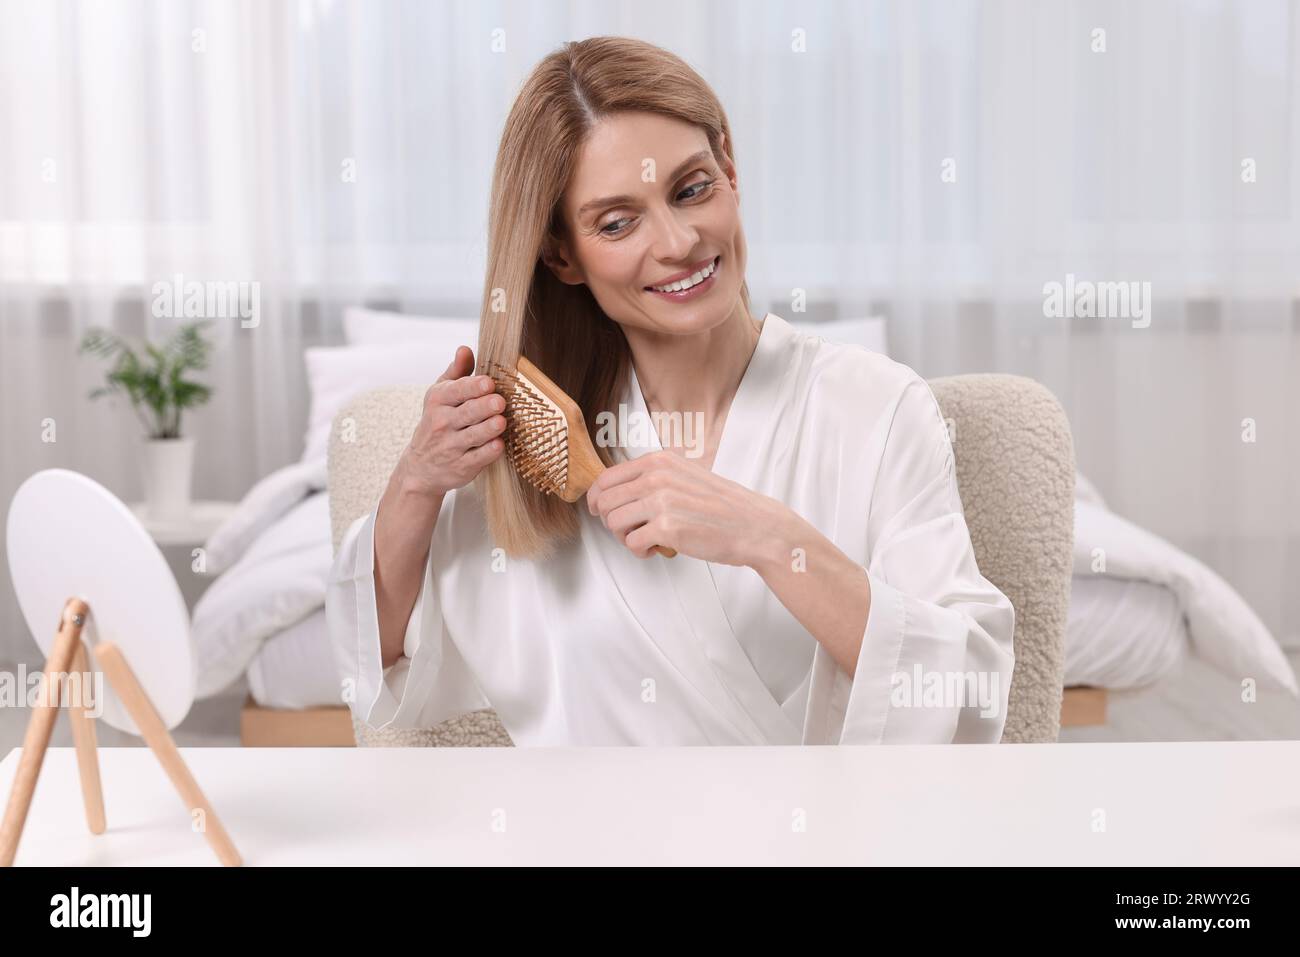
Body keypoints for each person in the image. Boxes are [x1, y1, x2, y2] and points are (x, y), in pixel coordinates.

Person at [326, 36, 1014, 746]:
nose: (679, 240)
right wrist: (415, 482)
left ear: (731, 169)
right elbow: (371, 665)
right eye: (618, 222)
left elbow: (968, 696)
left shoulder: (876, 407)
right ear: (562, 254)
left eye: (692, 189)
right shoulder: (536, 449)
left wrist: (771, 539)